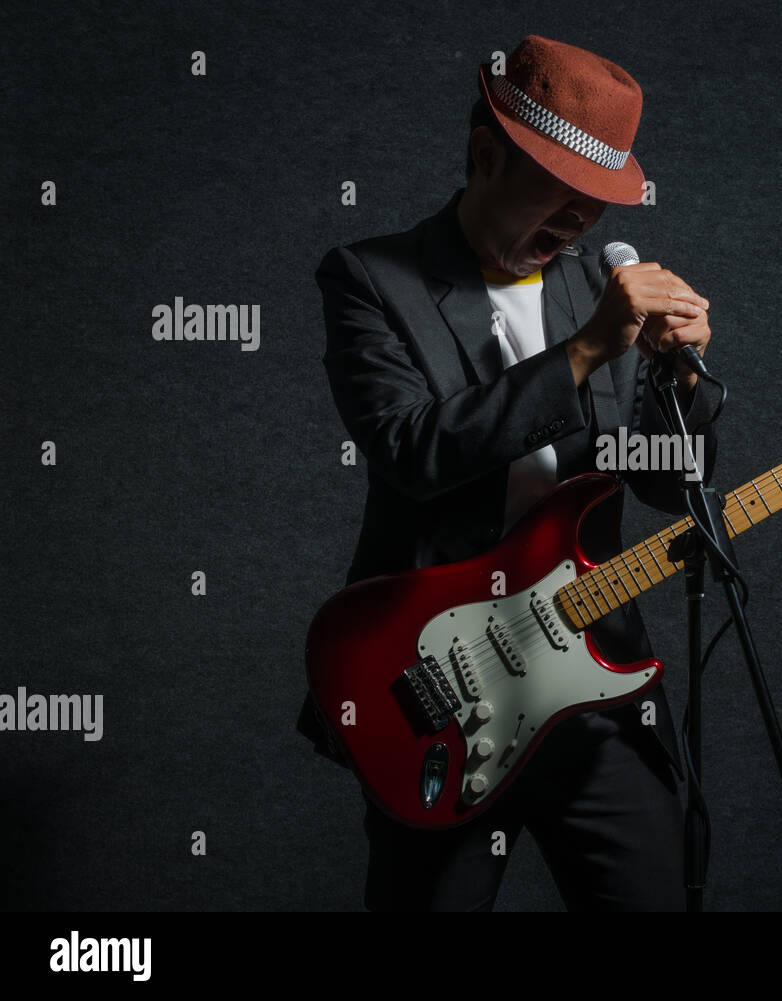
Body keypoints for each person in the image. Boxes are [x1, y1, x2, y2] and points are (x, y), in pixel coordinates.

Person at [296, 34, 718, 911]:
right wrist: (584, 351)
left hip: (591, 673)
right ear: (486, 154)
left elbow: (661, 484)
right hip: (438, 684)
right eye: (560, 201)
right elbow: (413, 450)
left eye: (594, 210)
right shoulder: (373, 281)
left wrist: (685, 386)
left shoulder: (590, 285)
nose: (576, 228)